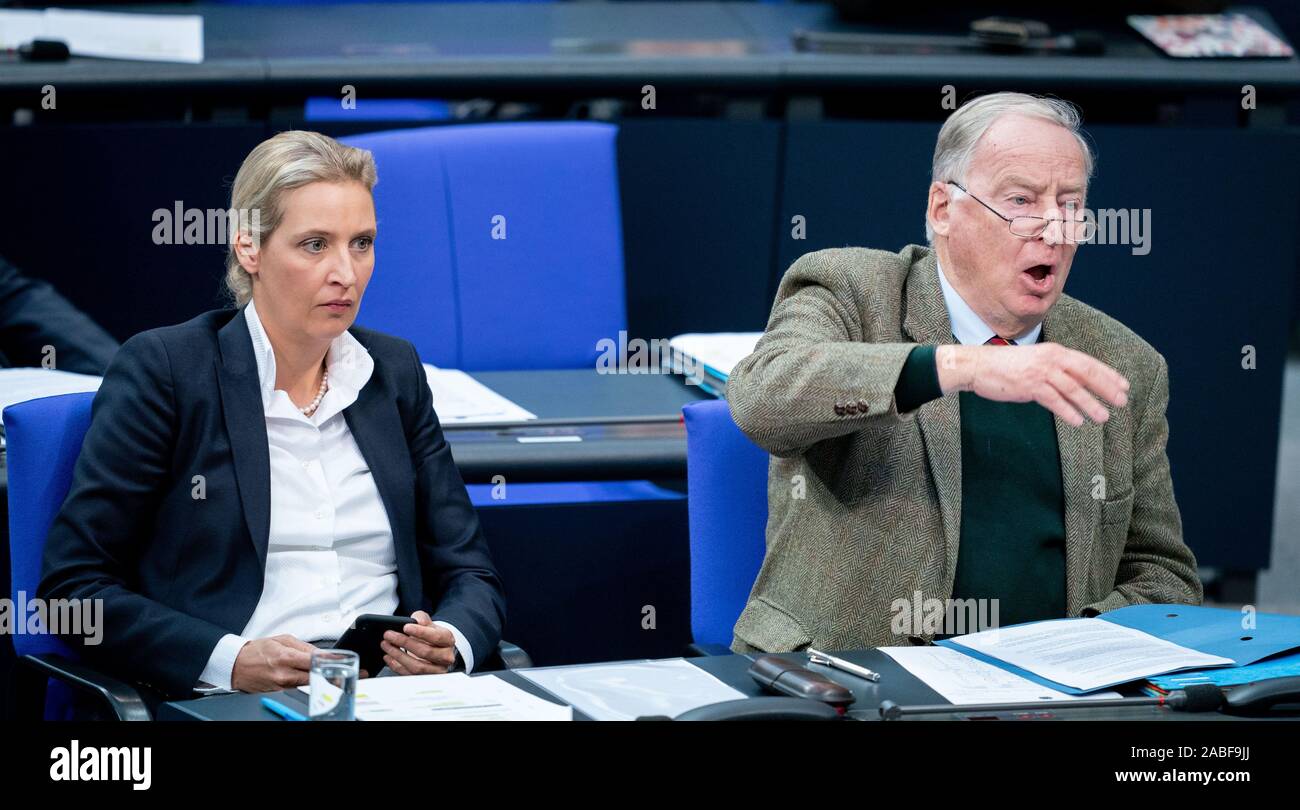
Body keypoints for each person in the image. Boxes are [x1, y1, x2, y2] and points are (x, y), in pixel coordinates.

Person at [40, 131, 505, 702]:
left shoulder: (393, 370)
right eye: (315, 245)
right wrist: (230, 661)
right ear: (249, 249)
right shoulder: (167, 370)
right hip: (232, 700)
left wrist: (452, 641)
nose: (346, 272)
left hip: (391, 697)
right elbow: (73, 592)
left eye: (362, 243)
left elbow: (469, 571)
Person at [728, 92, 1201, 654]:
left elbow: (1164, 577)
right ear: (942, 209)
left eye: (1070, 205)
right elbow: (763, 400)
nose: (1053, 229)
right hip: (849, 682)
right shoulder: (851, 289)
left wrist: (1074, 645)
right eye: (1022, 200)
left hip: (1045, 698)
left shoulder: (1124, 362)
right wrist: (962, 366)